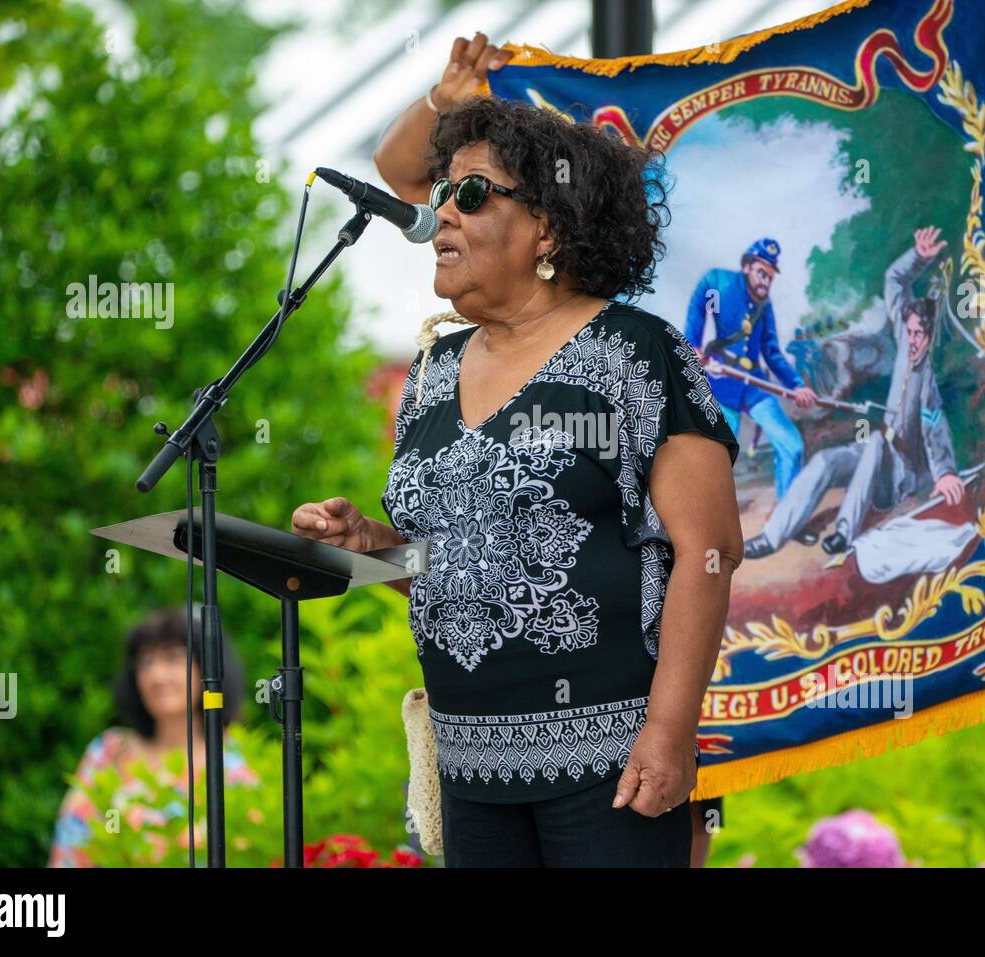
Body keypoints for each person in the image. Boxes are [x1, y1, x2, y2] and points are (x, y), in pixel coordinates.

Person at [297, 90, 741, 868]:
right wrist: (371, 544)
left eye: (471, 193)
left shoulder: (635, 353)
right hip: (470, 766)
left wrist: (671, 730)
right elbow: (459, 564)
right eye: (442, 191)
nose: (442, 212)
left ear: (547, 226)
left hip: (609, 765)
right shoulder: (432, 371)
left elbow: (711, 550)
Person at [744, 226, 964, 559]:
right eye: (909, 332)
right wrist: (918, 258)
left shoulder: (928, 378)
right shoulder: (906, 343)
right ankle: (771, 538)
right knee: (825, 461)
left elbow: (935, 425)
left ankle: (844, 532)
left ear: (930, 335)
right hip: (878, 457)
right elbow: (894, 280)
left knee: (874, 442)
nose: (912, 340)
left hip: (899, 475)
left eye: (920, 334)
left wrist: (946, 473)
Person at [48, 607, 254, 867]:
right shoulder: (110, 752)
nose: (157, 675)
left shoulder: (236, 762)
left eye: (173, 658)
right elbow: (71, 845)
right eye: (146, 662)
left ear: (208, 669)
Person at [685, 240, 818, 500]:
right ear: (746, 266)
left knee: (792, 446)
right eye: (761, 273)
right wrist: (692, 346)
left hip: (755, 385)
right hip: (721, 383)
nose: (765, 282)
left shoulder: (764, 306)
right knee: (717, 459)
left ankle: (787, 515)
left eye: (770, 277)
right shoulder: (719, 283)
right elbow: (702, 299)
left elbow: (771, 351)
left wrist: (797, 385)